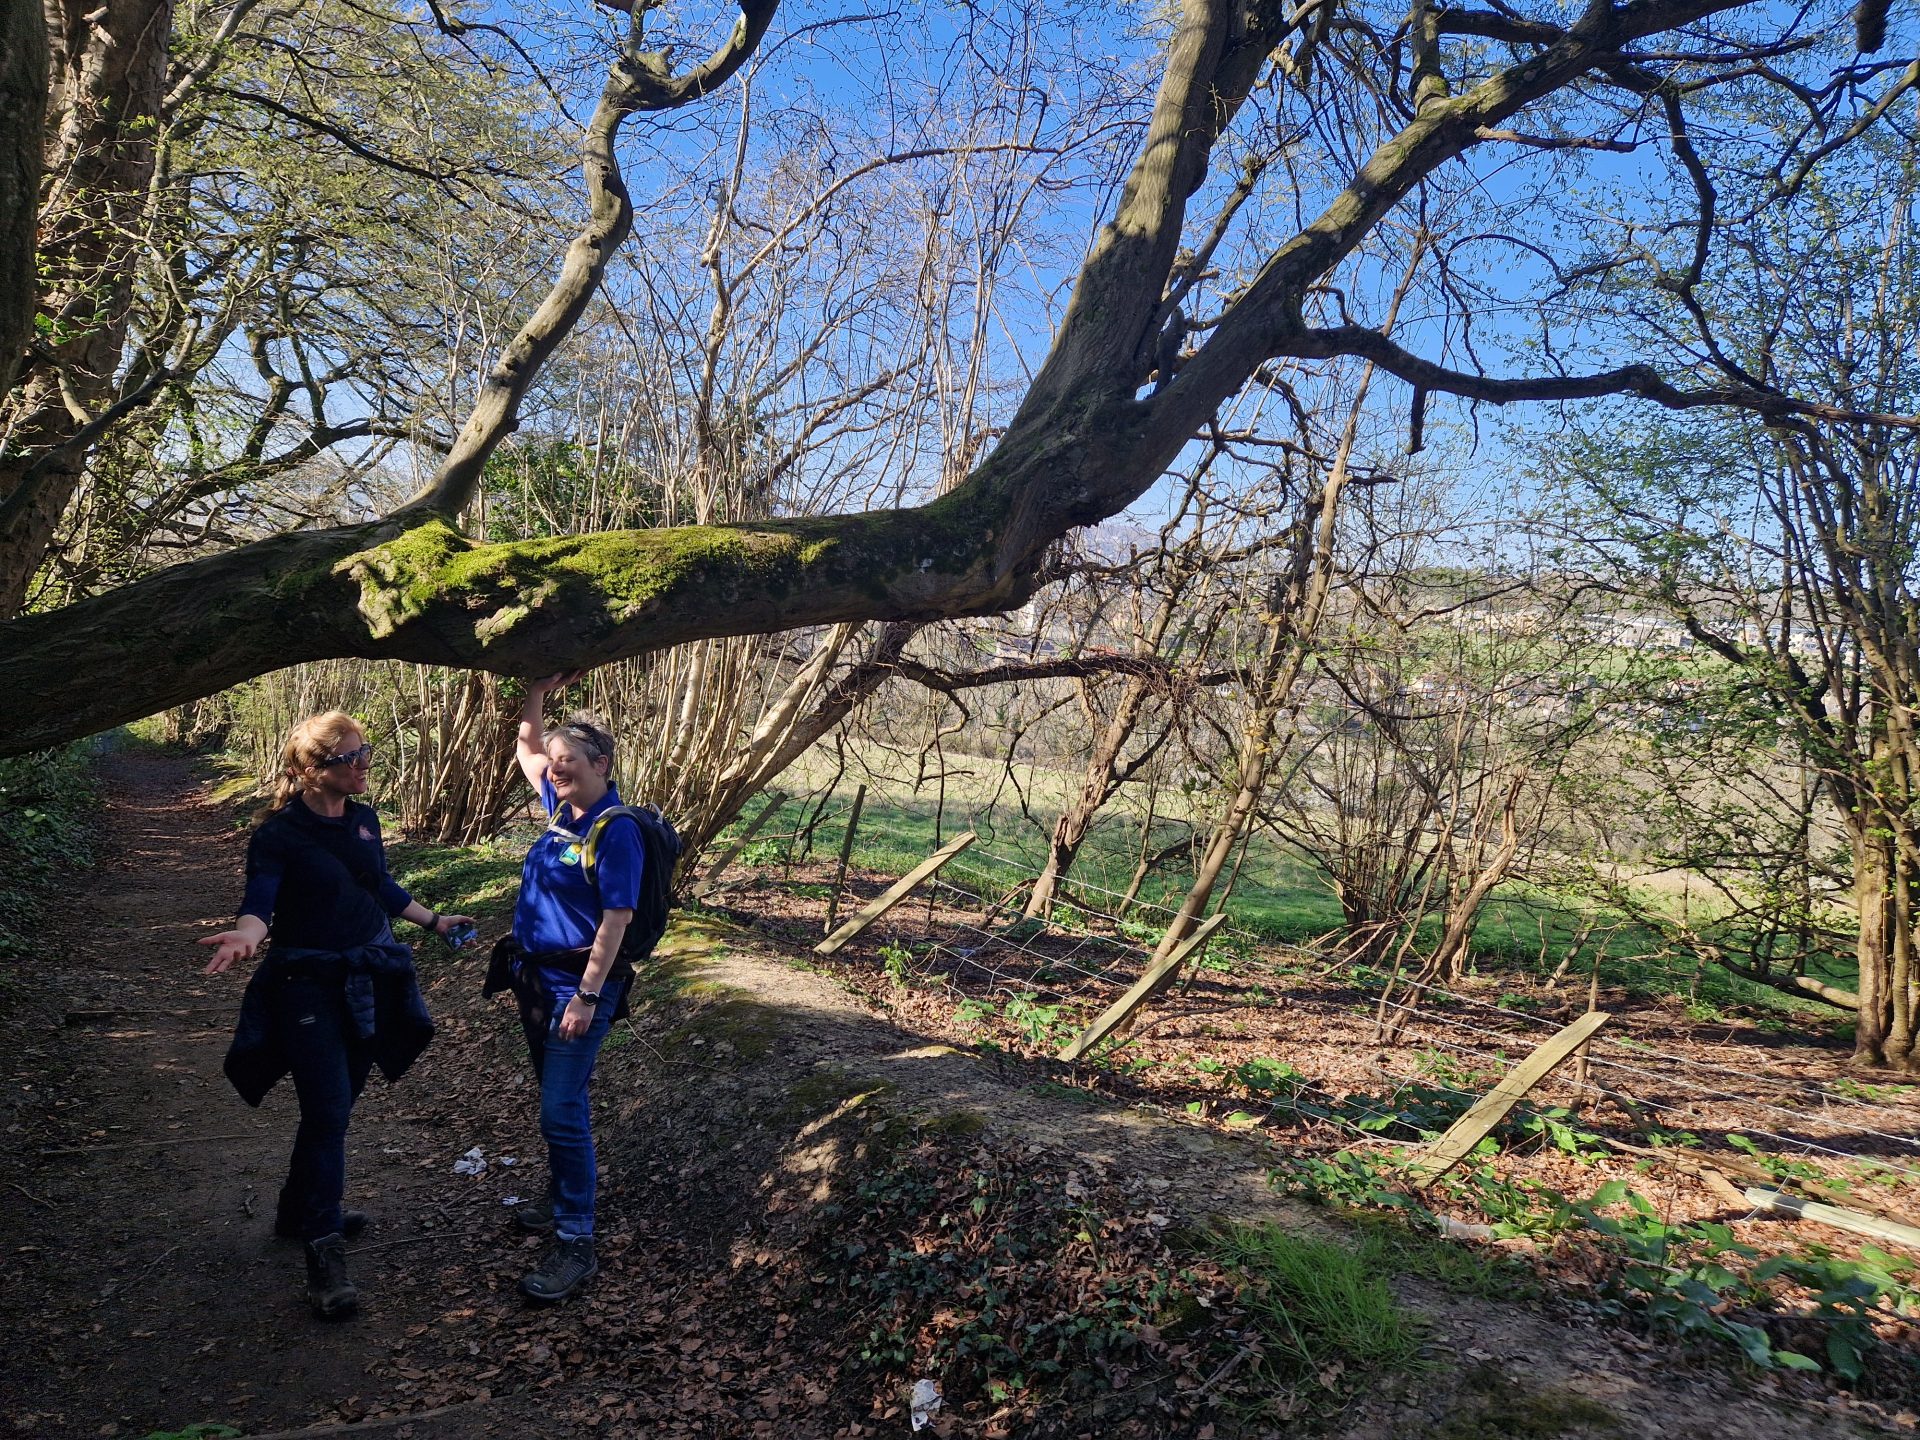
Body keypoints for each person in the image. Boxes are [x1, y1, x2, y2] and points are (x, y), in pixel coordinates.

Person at [201, 711, 472, 1320]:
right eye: (349, 757)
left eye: (364, 752)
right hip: (304, 985)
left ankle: (297, 1211)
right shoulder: (279, 833)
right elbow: (258, 903)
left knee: (339, 1103)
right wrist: (246, 936)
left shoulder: (364, 820)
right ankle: (322, 1253)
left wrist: (435, 920)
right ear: (308, 770)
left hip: (367, 976)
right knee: (326, 1110)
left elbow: (379, 885)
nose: (363, 764)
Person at [488, 671, 645, 1302]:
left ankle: (576, 1239)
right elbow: (526, 748)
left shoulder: (616, 829)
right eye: (555, 764)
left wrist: (585, 996)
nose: (555, 770)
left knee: (560, 1112)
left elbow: (616, 920)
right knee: (563, 1104)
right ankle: (560, 1202)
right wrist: (534, 692)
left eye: (569, 762)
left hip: (575, 990)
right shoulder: (563, 808)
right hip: (535, 980)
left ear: (601, 763)